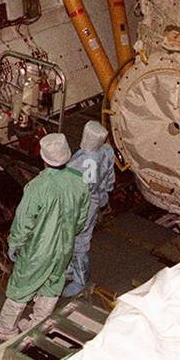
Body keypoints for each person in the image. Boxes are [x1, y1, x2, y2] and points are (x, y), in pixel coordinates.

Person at [0, 132, 90, 341]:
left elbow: (24, 221)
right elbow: (81, 219)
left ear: (44, 157)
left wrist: (15, 243)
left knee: (21, 286)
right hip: (64, 247)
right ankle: (37, 325)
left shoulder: (38, 186)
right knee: (52, 284)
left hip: (39, 250)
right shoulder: (79, 181)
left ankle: (6, 328)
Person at [63, 120, 116, 297]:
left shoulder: (89, 161)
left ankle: (80, 280)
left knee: (79, 243)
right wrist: (104, 194)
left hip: (83, 208)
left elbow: (86, 189)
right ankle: (71, 268)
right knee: (72, 240)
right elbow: (109, 178)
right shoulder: (106, 151)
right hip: (90, 203)